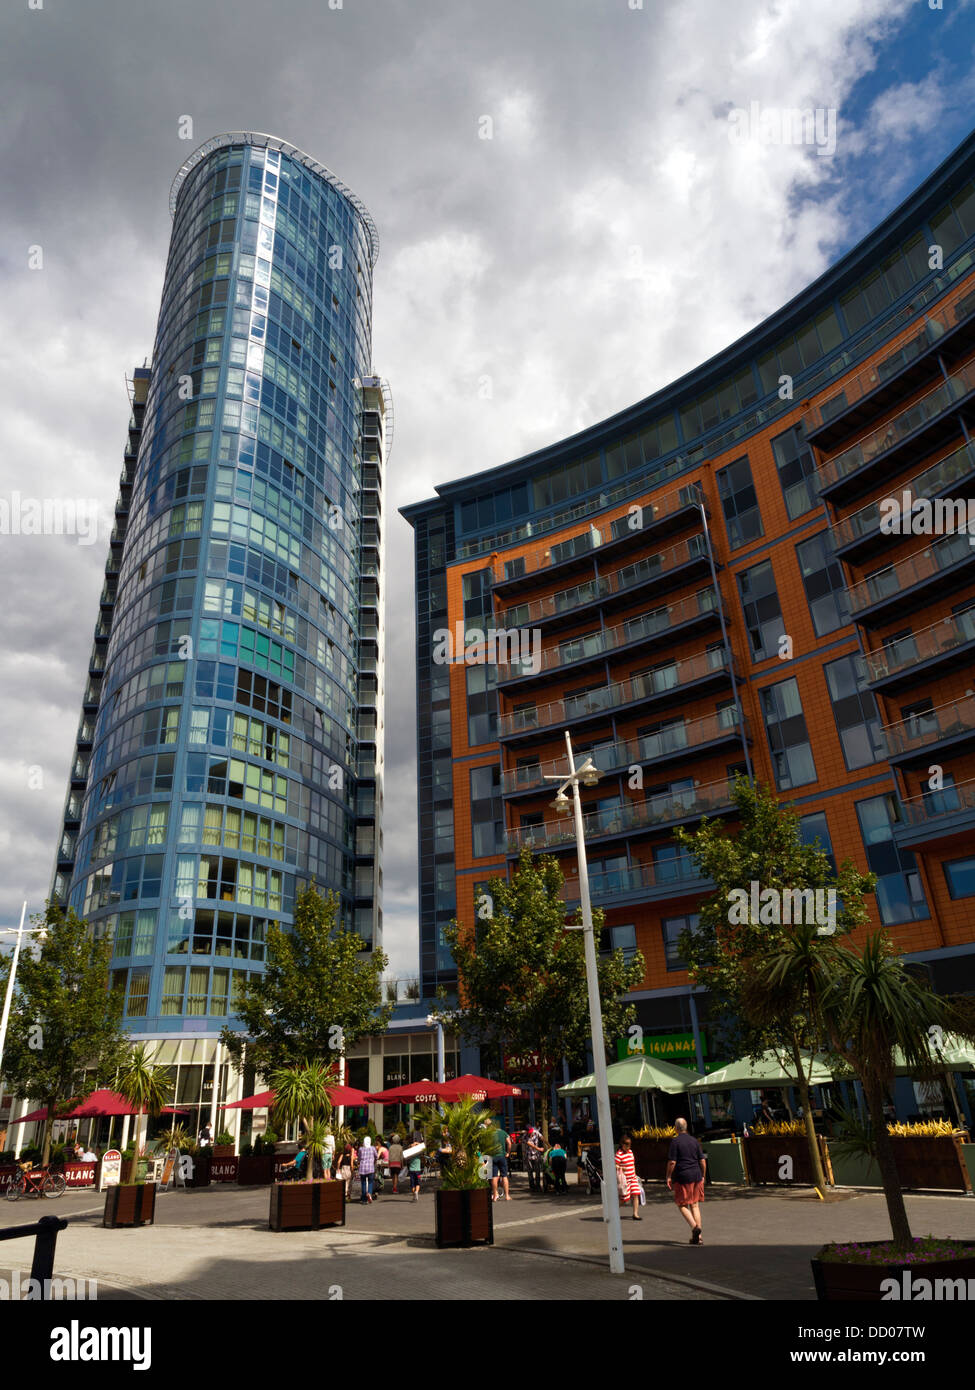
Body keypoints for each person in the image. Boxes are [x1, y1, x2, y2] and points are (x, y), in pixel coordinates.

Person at [666, 1116, 707, 1244]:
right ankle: (698, 1237)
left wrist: (668, 1176)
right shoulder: (694, 1141)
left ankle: (695, 1227)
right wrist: (703, 1175)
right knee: (695, 1205)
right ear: (686, 1127)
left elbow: (672, 1162)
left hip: (683, 1176)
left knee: (681, 1204)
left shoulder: (675, 1142)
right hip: (696, 1175)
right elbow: (702, 1160)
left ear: (675, 1128)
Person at [615, 1135, 642, 1220]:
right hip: (625, 1180)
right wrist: (621, 1168)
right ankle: (614, 1212)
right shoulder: (619, 1154)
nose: (628, 1146)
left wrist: (635, 1174)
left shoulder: (630, 1152)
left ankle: (635, 1214)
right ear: (622, 1144)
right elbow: (615, 1165)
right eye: (626, 1144)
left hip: (632, 1177)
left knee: (636, 1194)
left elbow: (632, 1164)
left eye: (629, 1144)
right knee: (624, 1199)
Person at [489, 1119, 511, 1202]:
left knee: (494, 1176)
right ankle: (507, 1196)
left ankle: (495, 1195)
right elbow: (509, 1143)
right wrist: (508, 1152)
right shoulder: (503, 1132)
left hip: (492, 1156)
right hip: (502, 1155)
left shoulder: (489, 1134)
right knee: (504, 1176)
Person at [524, 1124, 545, 1192]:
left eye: (531, 1131)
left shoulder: (535, 1132)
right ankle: (532, 1186)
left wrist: (545, 1141)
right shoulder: (525, 1136)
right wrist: (539, 1149)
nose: (531, 1133)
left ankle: (538, 1185)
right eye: (529, 1132)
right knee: (530, 1171)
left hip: (536, 1155)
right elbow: (531, 1145)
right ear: (527, 1131)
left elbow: (541, 1137)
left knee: (537, 1170)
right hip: (529, 1155)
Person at [357, 1135, 377, 1203]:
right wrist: (374, 1161)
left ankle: (364, 1199)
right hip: (370, 1168)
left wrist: (359, 1161)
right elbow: (376, 1156)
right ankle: (369, 1193)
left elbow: (359, 1158)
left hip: (362, 1168)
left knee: (363, 1183)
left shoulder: (360, 1149)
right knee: (371, 1182)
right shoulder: (373, 1148)